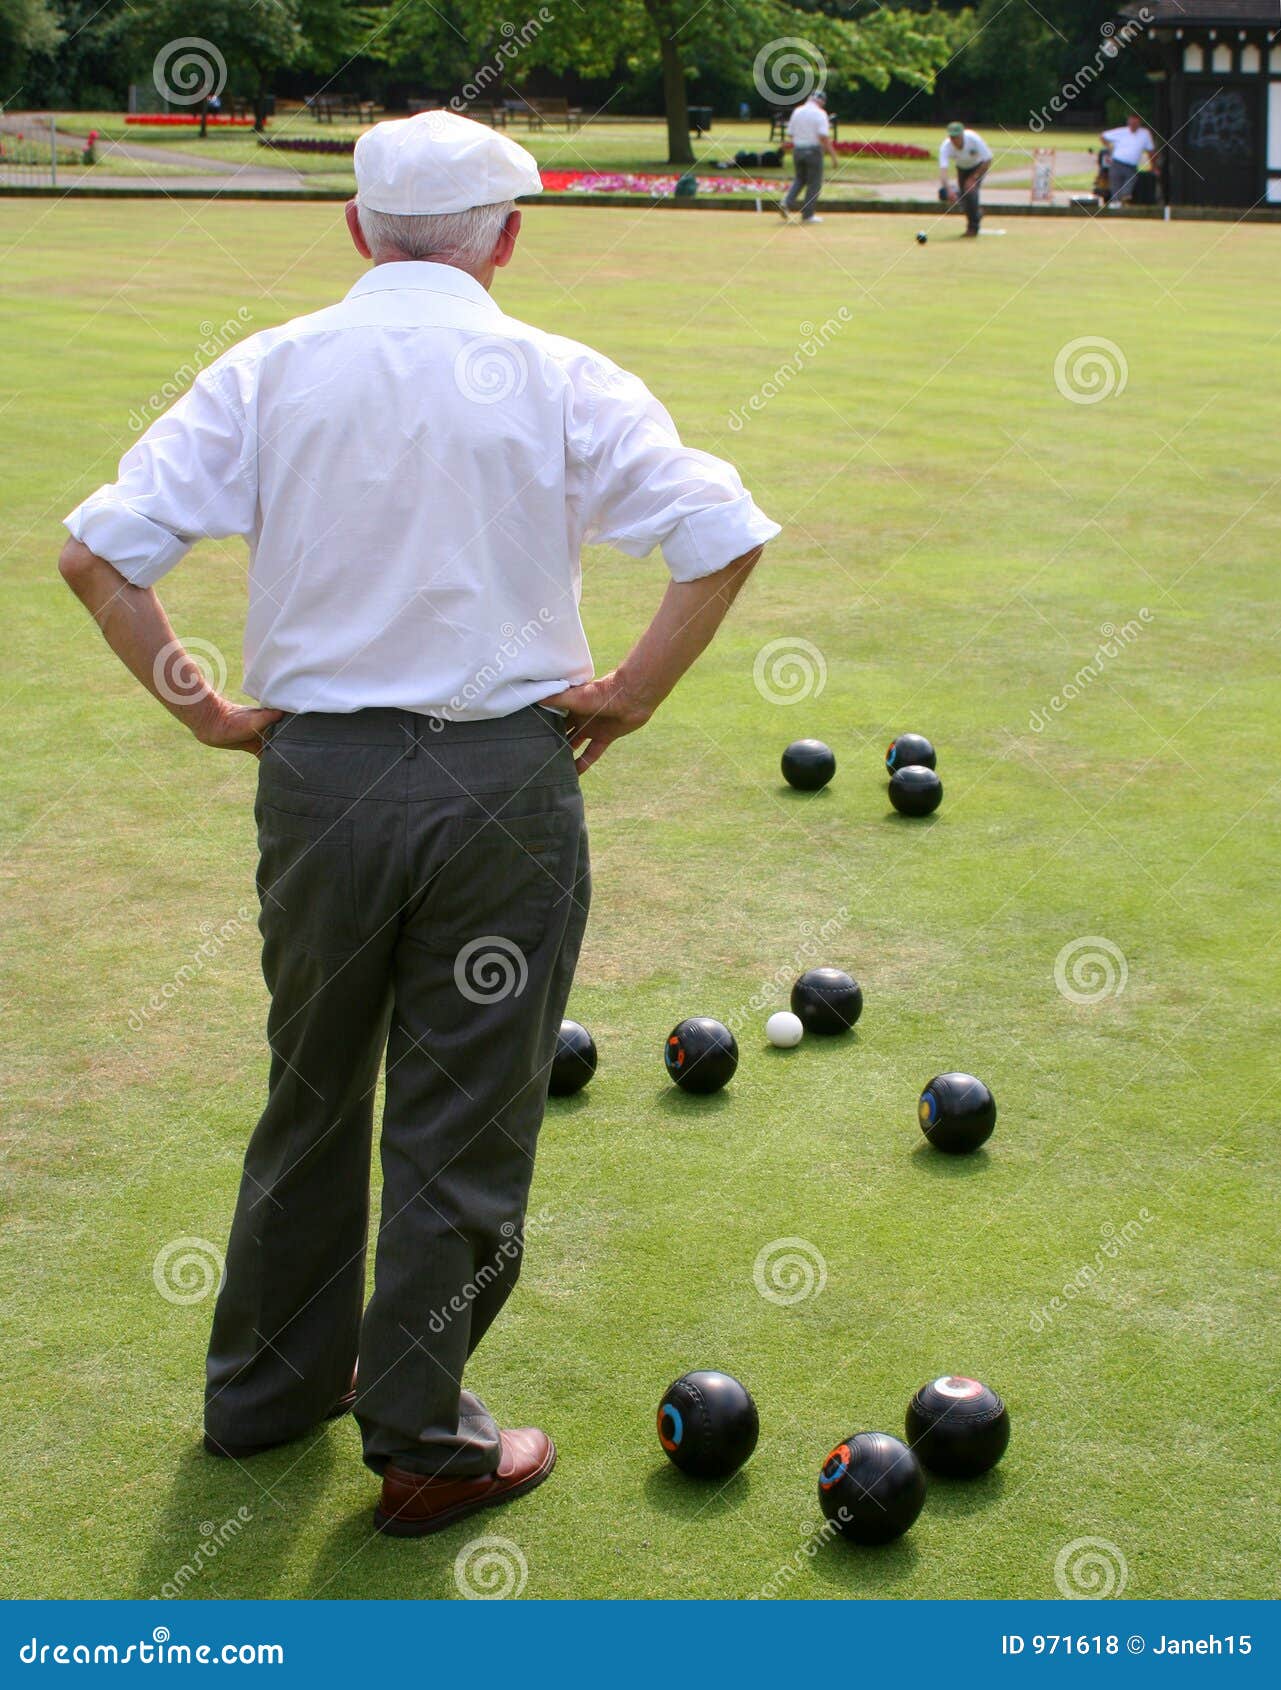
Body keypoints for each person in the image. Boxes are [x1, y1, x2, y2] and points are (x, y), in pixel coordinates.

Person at [57, 111, 779, 1537]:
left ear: (355, 229)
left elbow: (97, 559)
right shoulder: (560, 372)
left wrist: (202, 705)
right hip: (503, 787)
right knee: (461, 1118)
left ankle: (266, 1391)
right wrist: (629, 694)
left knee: (311, 1088)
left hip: (318, 782)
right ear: (507, 234)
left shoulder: (267, 367)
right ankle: (426, 1440)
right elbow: (724, 533)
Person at [780, 90, 839, 224]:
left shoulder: (797, 111)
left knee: (800, 179)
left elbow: (791, 134)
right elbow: (823, 136)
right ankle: (808, 214)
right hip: (813, 150)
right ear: (821, 102)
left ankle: (786, 202)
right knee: (814, 183)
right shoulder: (820, 114)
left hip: (798, 149)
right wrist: (833, 155)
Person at [938, 120, 992, 236]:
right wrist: (948, 191)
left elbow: (988, 159)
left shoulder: (973, 139)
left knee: (970, 192)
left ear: (962, 134)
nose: (954, 140)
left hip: (979, 167)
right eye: (951, 137)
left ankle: (973, 227)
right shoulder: (946, 146)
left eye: (956, 137)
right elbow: (943, 172)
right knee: (944, 193)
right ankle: (977, 212)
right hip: (962, 169)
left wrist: (974, 178)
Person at [1100, 113, 1157, 206]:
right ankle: (1115, 205)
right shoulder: (1121, 132)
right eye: (1132, 122)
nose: (1133, 125)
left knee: (1130, 183)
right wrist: (1109, 148)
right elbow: (1103, 136)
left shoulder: (1145, 134)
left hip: (1131, 166)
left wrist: (1153, 166)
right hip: (1117, 163)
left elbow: (1151, 150)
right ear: (1128, 122)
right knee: (1115, 186)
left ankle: (1124, 199)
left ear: (1139, 123)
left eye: (1136, 123)